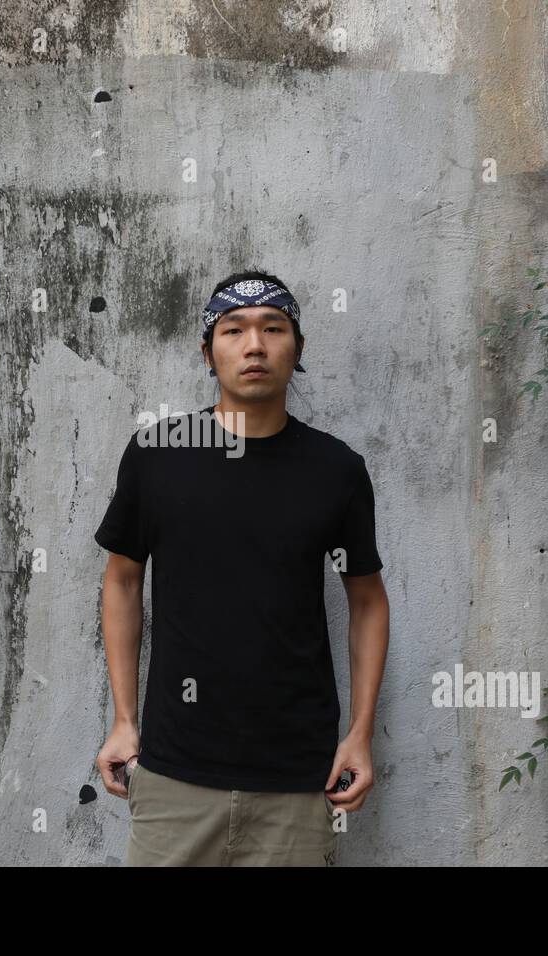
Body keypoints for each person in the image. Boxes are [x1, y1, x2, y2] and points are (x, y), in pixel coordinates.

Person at [93, 269, 390, 866]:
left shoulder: (335, 470)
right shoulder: (157, 457)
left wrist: (359, 733)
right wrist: (124, 721)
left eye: (273, 328)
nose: (254, 345)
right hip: (175, 775)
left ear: (296, 348)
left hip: (296, 780)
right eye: (234, 330)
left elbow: (367, 600)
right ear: (208, 352)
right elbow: (123, 581)